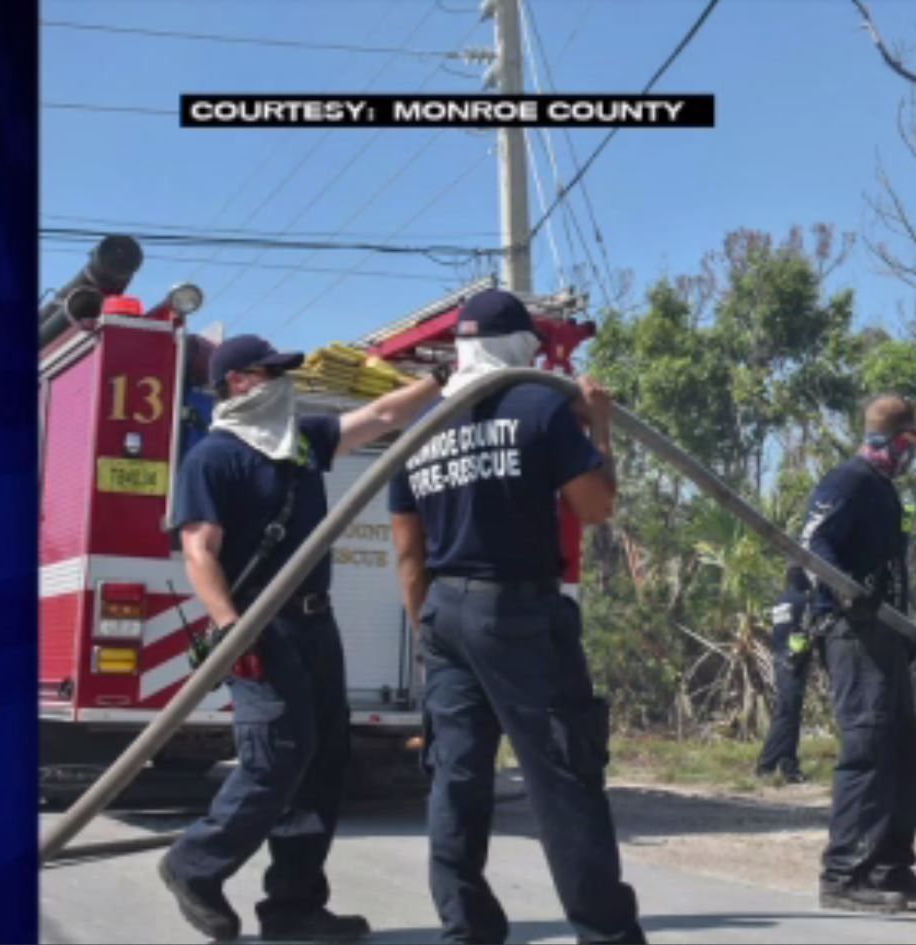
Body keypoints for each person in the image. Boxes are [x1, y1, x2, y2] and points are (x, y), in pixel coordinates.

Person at [161, 333, 448, 942]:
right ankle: (194, 864)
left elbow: (382, 416)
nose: (285, 383)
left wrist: (444, 381)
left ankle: (293, 909)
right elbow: (199, 551)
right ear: (238, 382)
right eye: (272, 373)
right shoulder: (212, 459)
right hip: (257, 628)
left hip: (316, 623)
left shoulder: (299, 443)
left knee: (322, 762)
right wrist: (232, 630)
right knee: (277, 756)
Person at [388, 289, 643, 945]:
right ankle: (607, 934)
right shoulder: (542, 406)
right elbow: (596, 507)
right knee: (563, 776)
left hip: (445, 613)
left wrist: (430, 636)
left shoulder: (419, 430)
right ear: (521, 346)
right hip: (519, 613)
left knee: (456, 778)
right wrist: (600, 427)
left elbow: (409, 556)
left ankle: (466, 930)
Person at [801, 395, 916, 913]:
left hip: (885, 636)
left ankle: (888, 866)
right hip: (853, 633)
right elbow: (812, 543)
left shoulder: (882, 489)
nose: (911, 455)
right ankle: (845, 874)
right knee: (867, 749)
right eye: (908, 443)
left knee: (900, 753)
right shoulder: (851, 480)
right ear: (891, 440)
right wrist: (846, 592)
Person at [755, 565, 815, 783]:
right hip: (794, 661)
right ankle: (766, 764)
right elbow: (810, 629)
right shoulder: (804, 601)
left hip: (781, 659)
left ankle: (788, 765)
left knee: (790, 714)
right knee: (787, 714)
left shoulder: (781, 601)